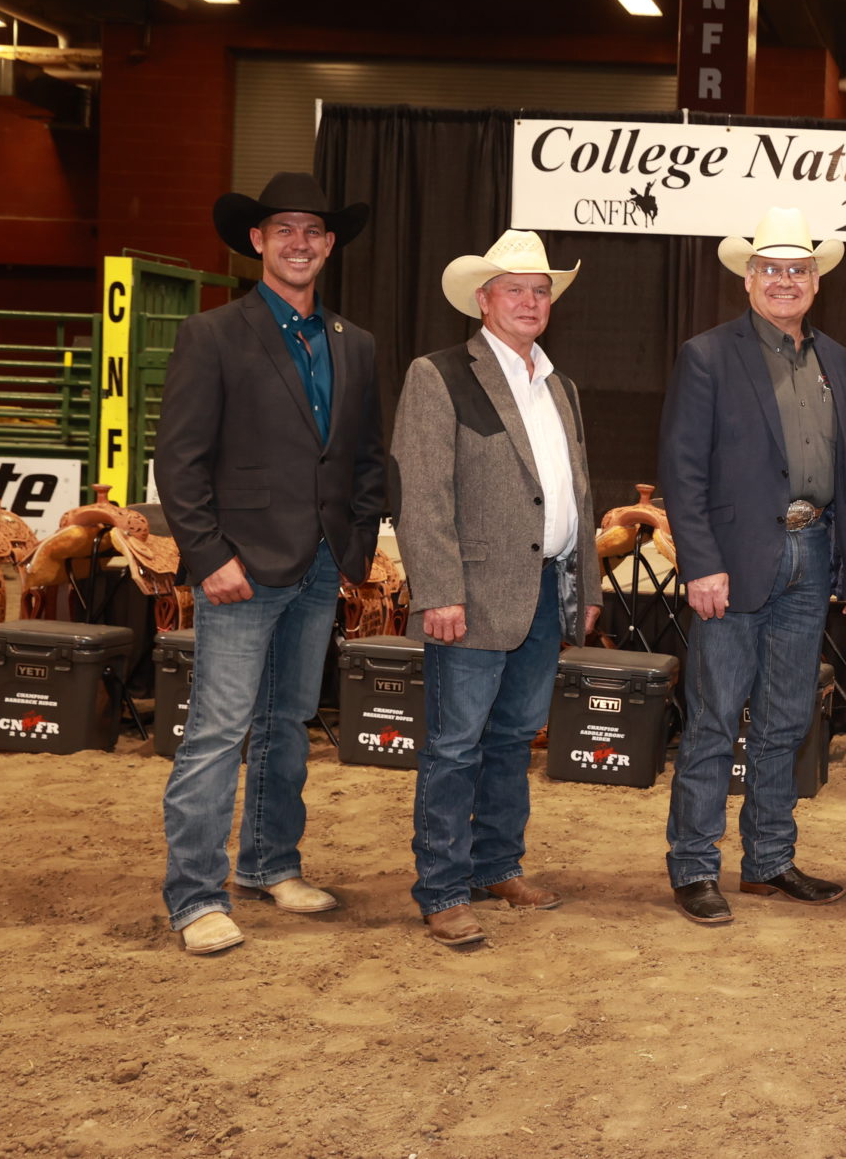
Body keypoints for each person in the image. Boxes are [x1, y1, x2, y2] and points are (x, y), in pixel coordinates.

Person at [156, 172, 385, 956]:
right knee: (217, 731)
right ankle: (195, 896)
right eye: (283, 227)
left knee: (286, 724)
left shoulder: (356, 343)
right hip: (240, 569)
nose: (299, 241)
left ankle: (269, 862)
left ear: (330, 244)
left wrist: (354, 547)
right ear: (257, 240)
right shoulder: (213, 334)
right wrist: (208, 555)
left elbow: (364, 458)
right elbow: (179, 460)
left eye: (313, 229)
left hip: (321, 565)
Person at [657, 207, 846, 925]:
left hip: (814, 551)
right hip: (733, 561)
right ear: (748, 279)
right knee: (715, 719)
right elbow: (683, 470)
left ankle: (769, 859)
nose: (786, 280)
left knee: (786, 719)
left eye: (798, 270)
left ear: (816, 281)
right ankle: (695, 866)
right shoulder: (707, 355)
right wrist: (701, 563)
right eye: (773, 269)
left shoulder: (836, 358)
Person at [392, 230, 602, 946]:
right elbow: (422, 492)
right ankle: (442, 887)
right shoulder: (439, 375)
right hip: (472, 595)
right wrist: (437, 591)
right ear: (484, 300)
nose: (531, 301)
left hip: (545, 588)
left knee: (512, 738)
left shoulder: (561, 386)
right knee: (454, 745)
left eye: (541, 290)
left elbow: (577, 492)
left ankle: (496, 865)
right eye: (516, 289)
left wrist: (586, 582)